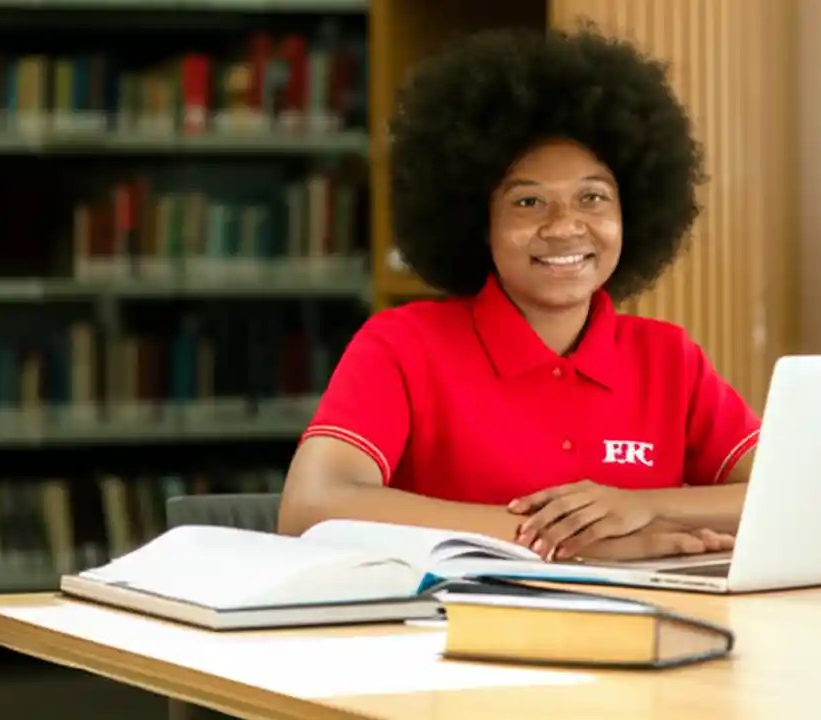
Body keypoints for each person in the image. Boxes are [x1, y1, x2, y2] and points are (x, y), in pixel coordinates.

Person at [277, 26, 761, 562]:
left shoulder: (670, 359)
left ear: (633, 213)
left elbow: (793, 496)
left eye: (592, 197)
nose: (565, 227)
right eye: (528, 203)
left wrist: (641, 506)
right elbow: (309, 507)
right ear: (480, 222)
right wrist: (560, 541)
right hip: (446, 635)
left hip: (649, 632)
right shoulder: (403, 345)